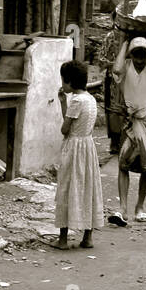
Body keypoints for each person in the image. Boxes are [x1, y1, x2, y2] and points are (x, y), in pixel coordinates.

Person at [109, 36, 146, 225]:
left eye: (144, 54)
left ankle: (140, 207)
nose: (140, 58)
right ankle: (122, 209)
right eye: (136, 54)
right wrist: (125, 43)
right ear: (130, 54)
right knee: (123, 162)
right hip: (131, 119)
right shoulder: (125, 66)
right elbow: (116, 69)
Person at [47, 60, 102, 250]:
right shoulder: (90, 99)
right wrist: (63, 102)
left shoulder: (77, 101)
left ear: (69, 82)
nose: (62, 84)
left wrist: (65, 103)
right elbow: (75, 123)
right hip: (88, 146)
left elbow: (65, 129)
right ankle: (88, 237)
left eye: (63, 81)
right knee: (88, 187)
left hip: (74, 148)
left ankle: (62, 239)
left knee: (67, 188)